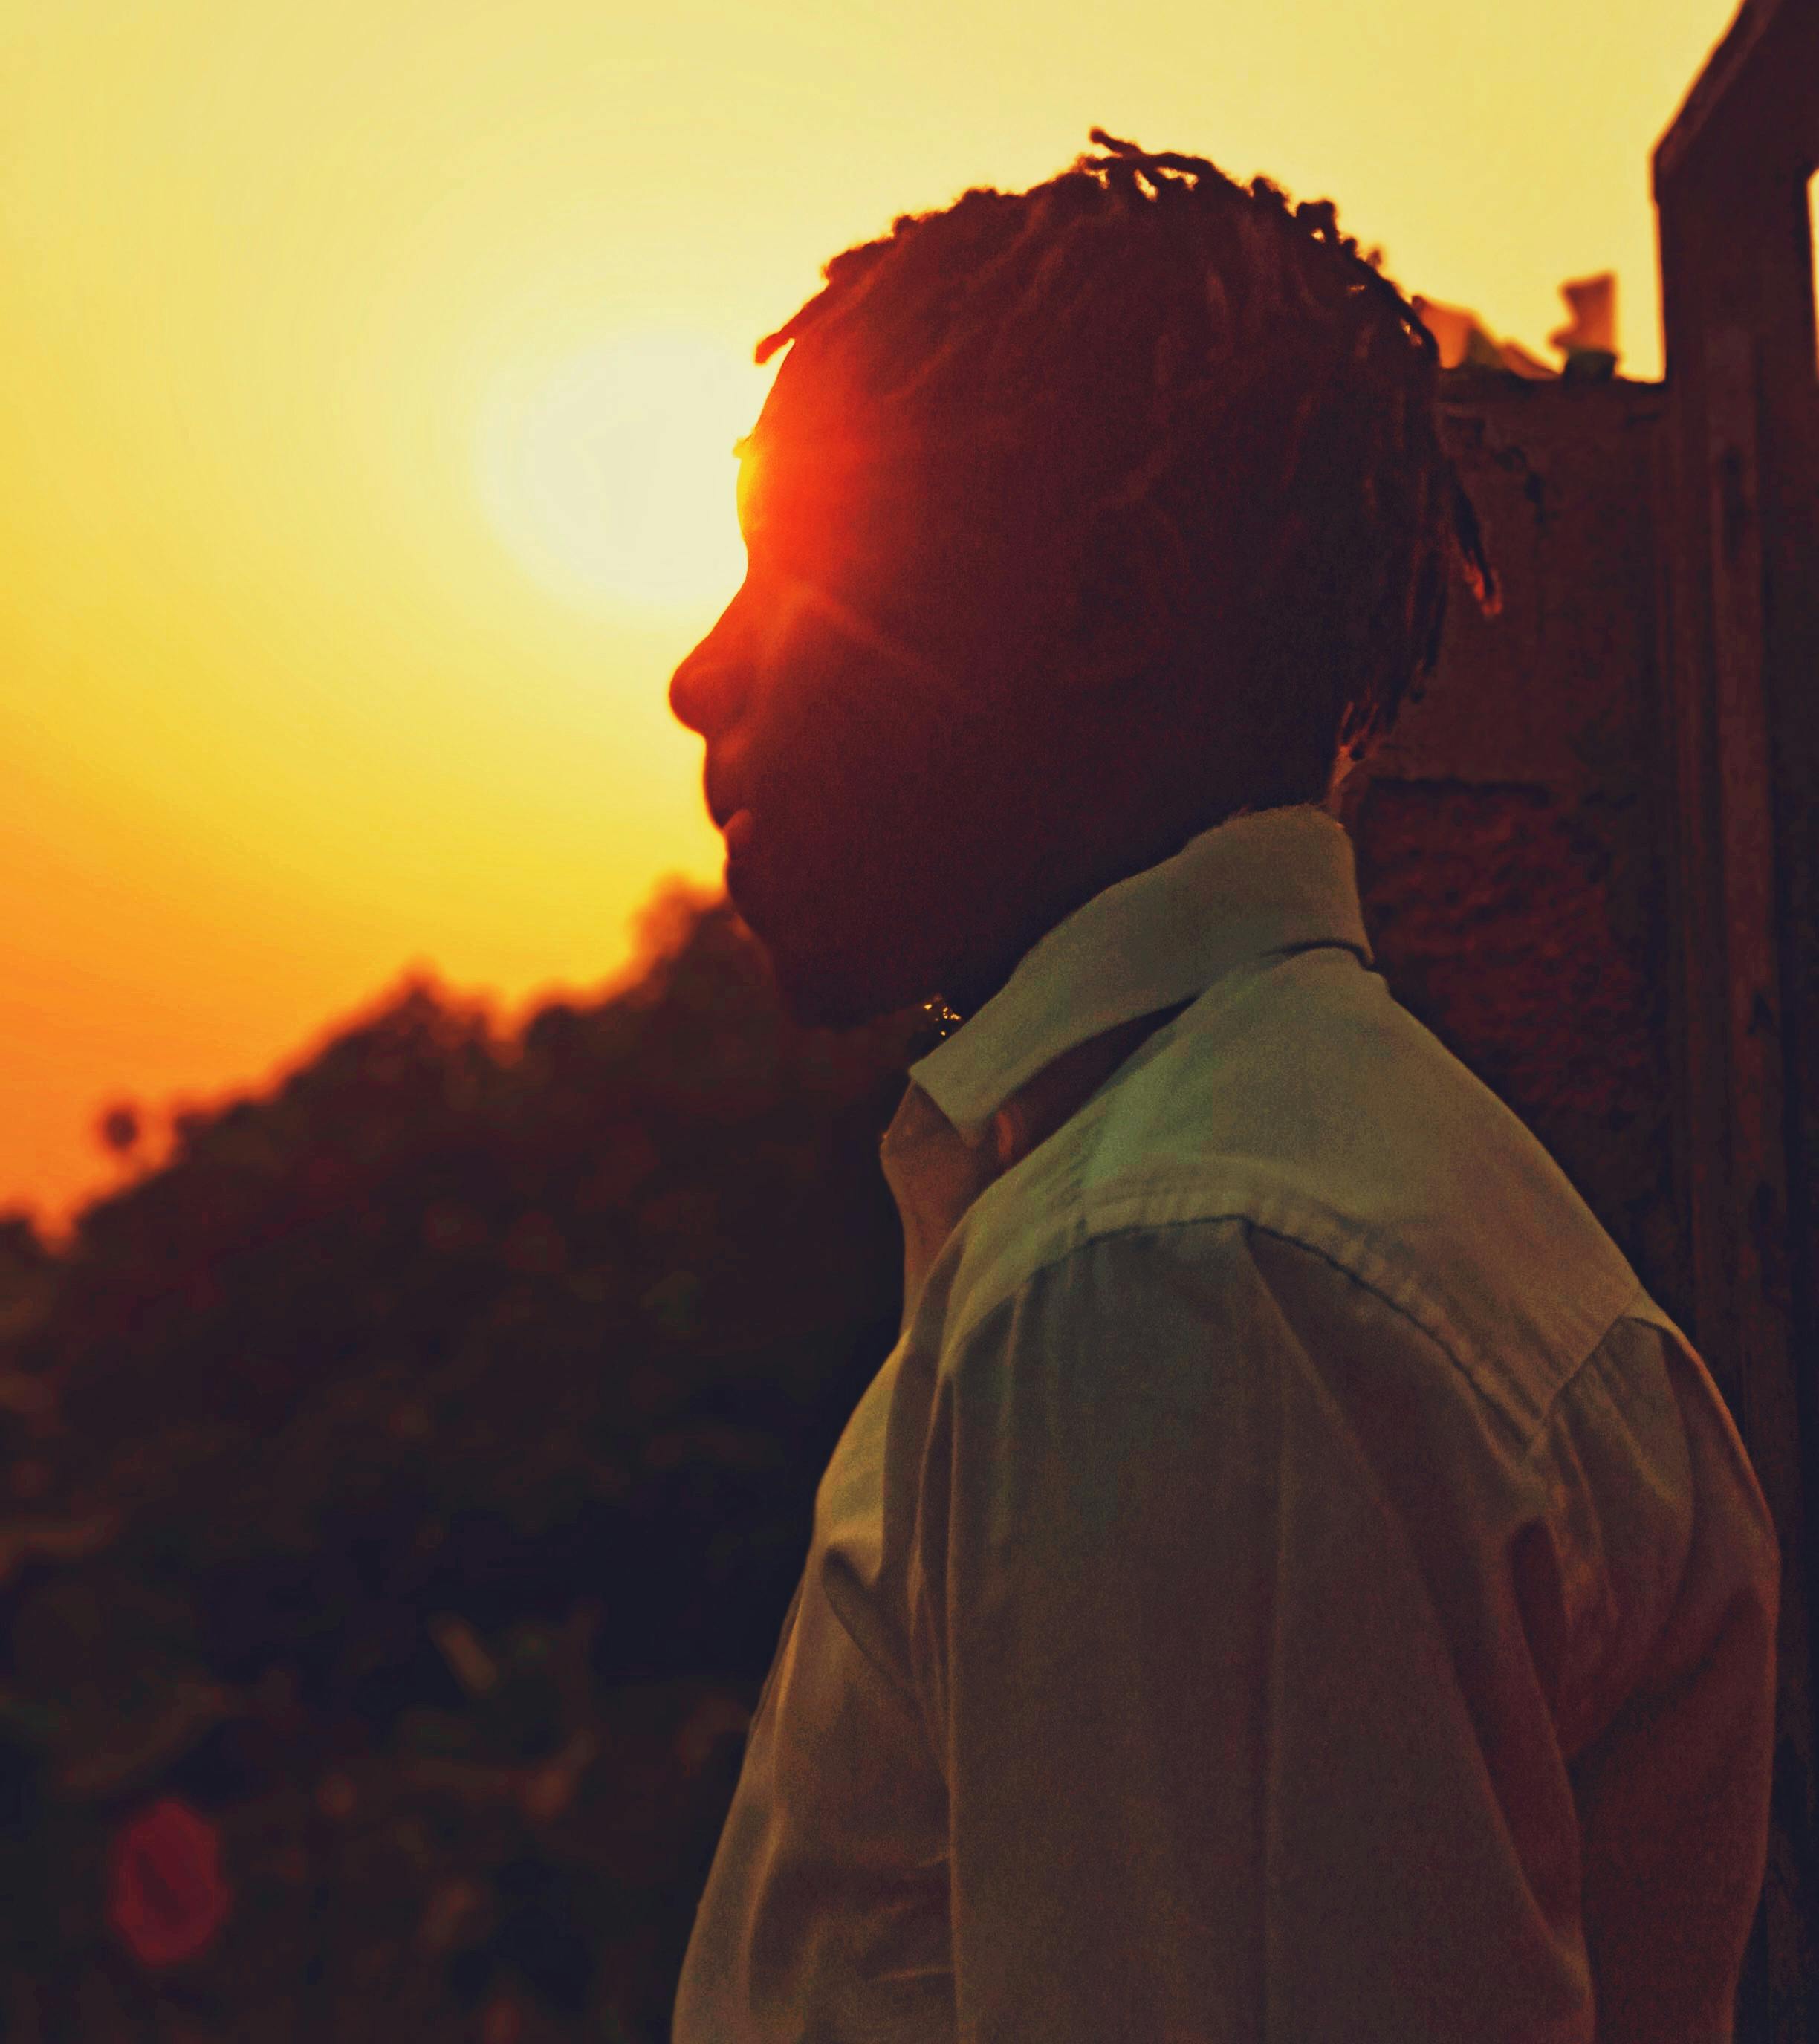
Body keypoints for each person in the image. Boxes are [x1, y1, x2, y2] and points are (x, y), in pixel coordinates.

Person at [666, 132, 1779, 2042]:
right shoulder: (1273, 1194)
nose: (704, 675)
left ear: (1112, 607)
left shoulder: (1182, 1275)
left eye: (804, 570)